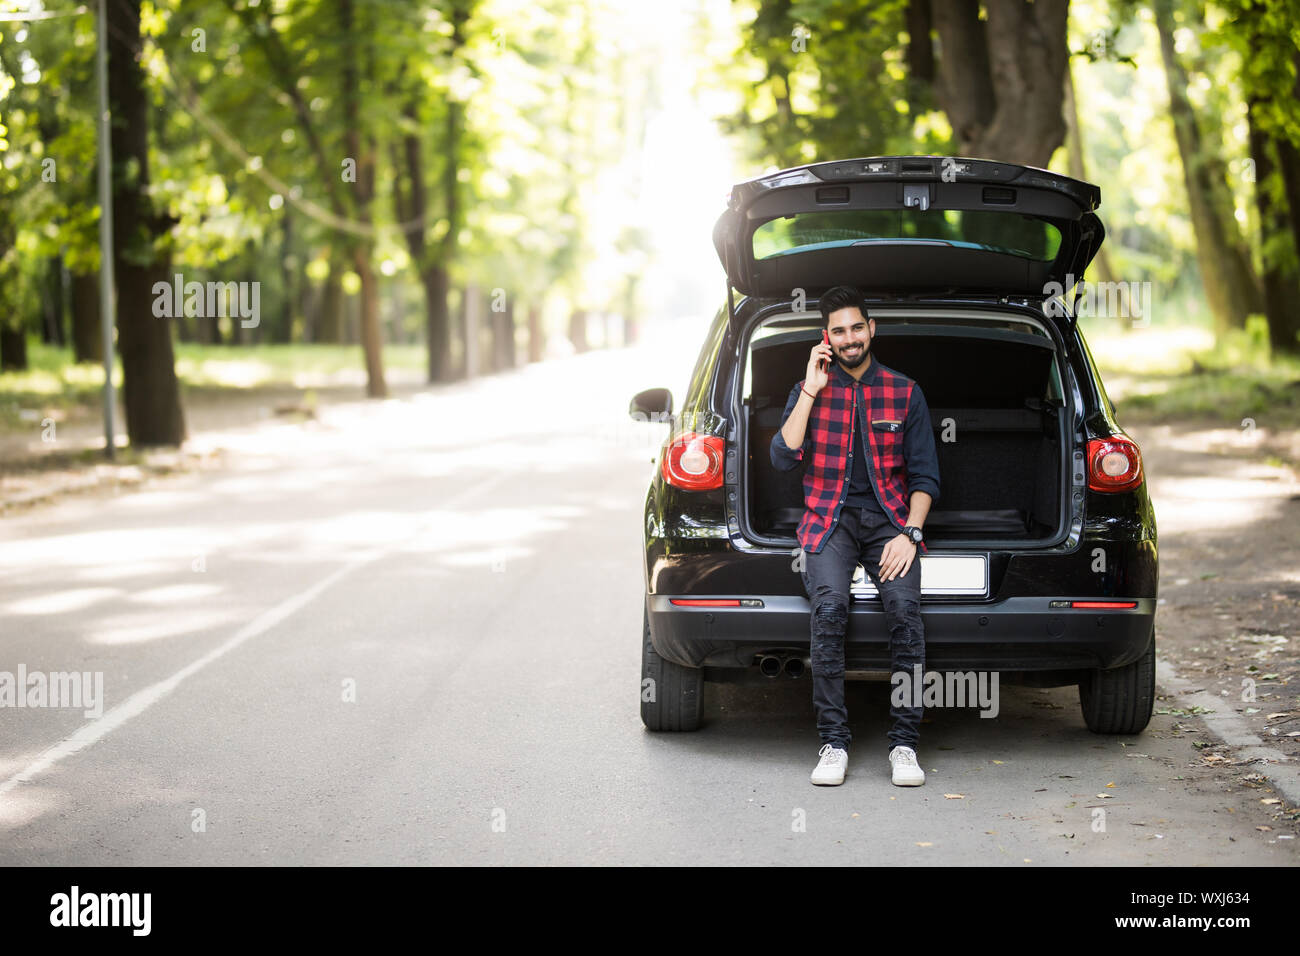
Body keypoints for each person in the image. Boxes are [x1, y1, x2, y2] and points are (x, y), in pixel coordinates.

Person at [769, 285, 941, 787]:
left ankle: (905, 744)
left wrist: (909, 533)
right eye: (838, 331)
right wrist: (809, 388)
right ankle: (833, 742)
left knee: (906, 613)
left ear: (871, 329)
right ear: (827, 338)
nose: (849, 338)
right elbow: (783, 456)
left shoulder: (905, 392)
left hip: (890, 520)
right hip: (829, 520)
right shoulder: (811, 391)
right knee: (829, 611)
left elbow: (926, 477)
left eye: (856, 328)